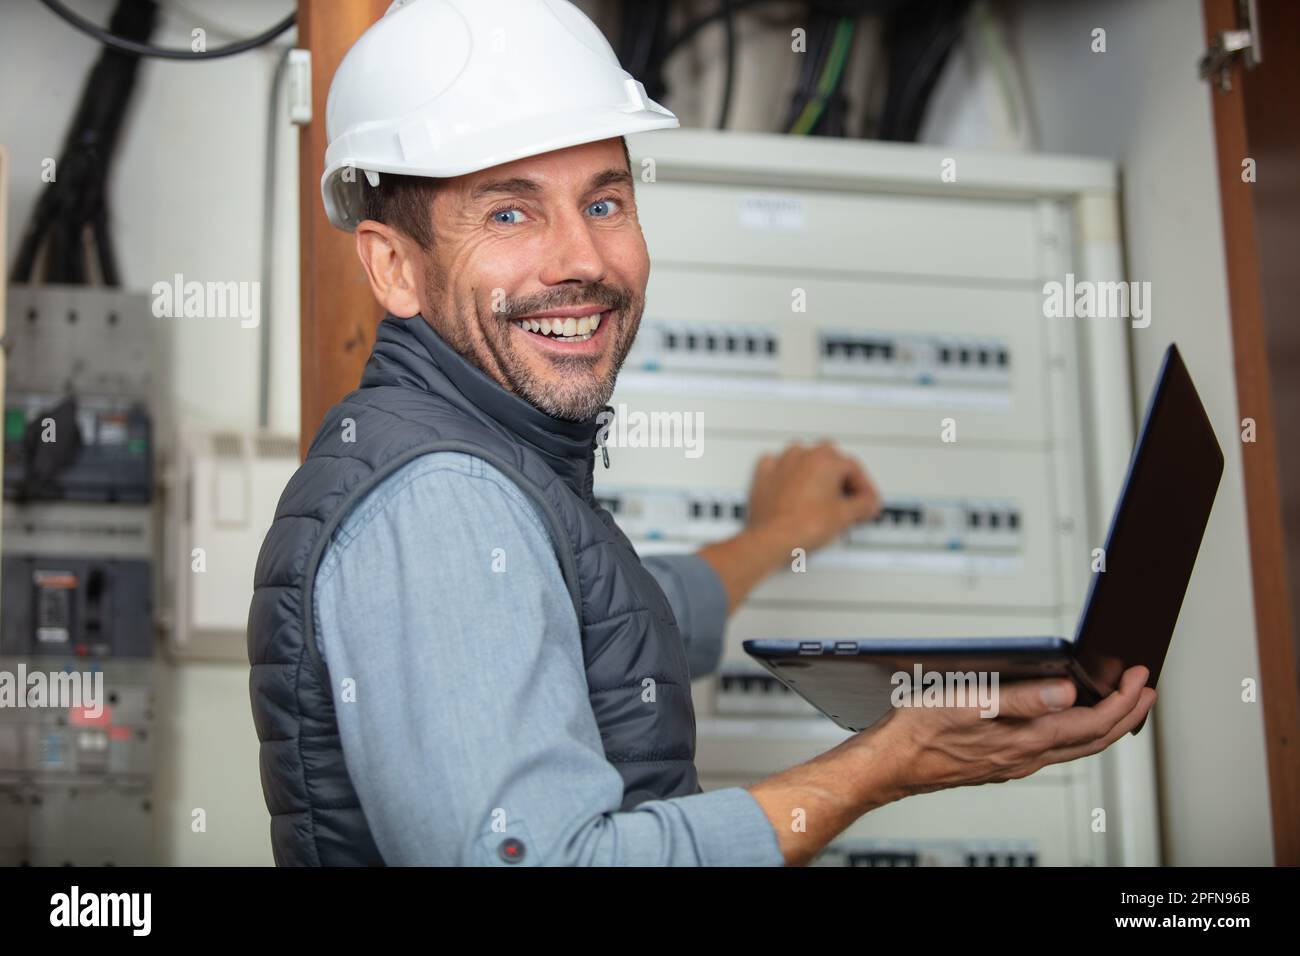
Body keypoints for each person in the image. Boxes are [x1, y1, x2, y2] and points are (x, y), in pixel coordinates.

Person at [248, 0, 1156, 866]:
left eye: (604, 203)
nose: (583, 261)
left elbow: (613, 623)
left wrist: (776, 539)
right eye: (510, 212)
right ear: (395, 267)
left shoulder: (489, 461)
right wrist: (889, 762)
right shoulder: (443, 498)